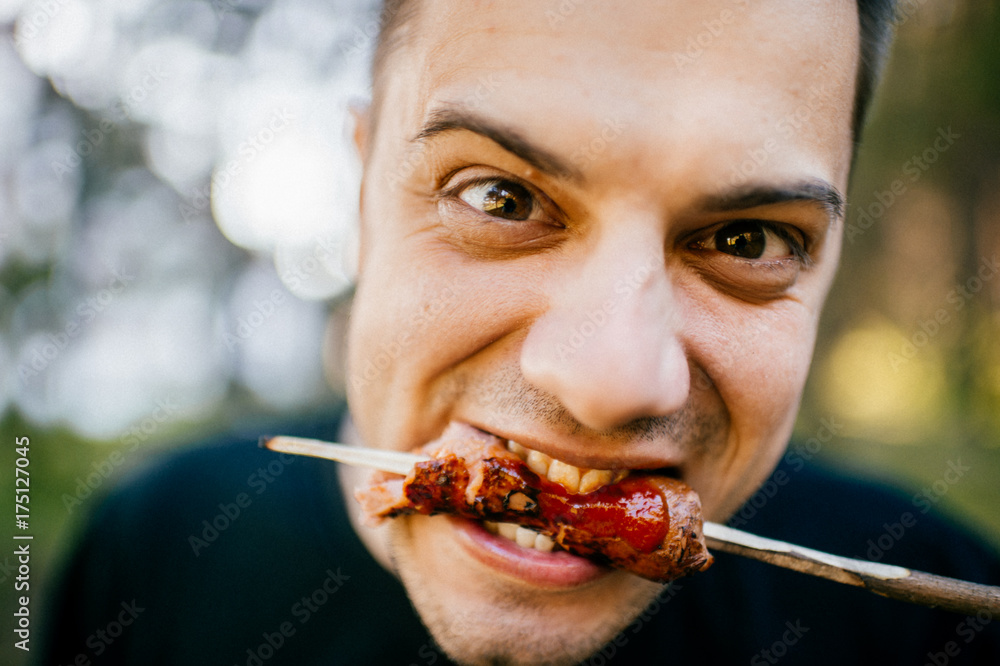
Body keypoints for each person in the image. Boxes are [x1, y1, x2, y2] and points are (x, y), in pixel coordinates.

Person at [40, 1, 1000, 665]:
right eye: (500, 196)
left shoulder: (944, 622)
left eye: (747, 239)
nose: (611, 378)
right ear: (362, 195)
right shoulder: (156, 555)